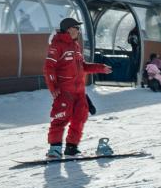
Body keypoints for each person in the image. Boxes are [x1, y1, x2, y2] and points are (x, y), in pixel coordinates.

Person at [44, 17, 112, 158]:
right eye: (77, 28)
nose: (79, 31)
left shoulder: (75, 46)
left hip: (79, 92)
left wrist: (101, 68)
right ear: (69, 29)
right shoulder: (57, 45)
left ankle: (71, 147)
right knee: (60, 118)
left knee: (79, 119)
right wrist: (53, 87)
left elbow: (83, 66)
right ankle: (54, 149)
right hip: (65, 92)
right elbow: (48, 68)